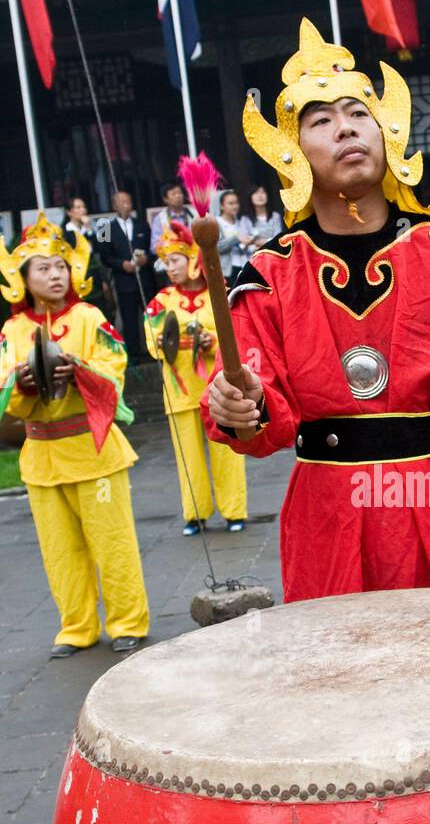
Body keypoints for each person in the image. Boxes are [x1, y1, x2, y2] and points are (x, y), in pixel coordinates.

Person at [201, 18, 430, 602]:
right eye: (321, 121)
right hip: (326, 517)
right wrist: (237, 404)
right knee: (340, 683)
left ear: (387, 133)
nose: (346, 129)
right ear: (292, 153)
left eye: (358, 114)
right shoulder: (269, 276)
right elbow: (263, 414)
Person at [0, 213, 149, 657]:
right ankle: (76, 627)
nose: (55, 275)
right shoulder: (12, 330)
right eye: (43, 268)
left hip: (93, 449)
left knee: (113, 542)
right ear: (23, 278)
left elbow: (113, 367)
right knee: (61, 552)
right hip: (42, 457)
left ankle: (128, 621)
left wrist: (78, 370)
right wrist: (22, 383)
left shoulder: (89, 316)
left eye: (60, 266)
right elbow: (5, 385)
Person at [144, 220, 248, 535]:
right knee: (187, 455)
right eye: (166, 262)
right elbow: (152, 341)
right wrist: (161, 343)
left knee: (227, 449)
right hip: (179, 390)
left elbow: (237, 334)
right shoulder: (160, 300)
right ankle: (195, 514)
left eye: (175, 260)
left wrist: (211, 343)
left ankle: (235, 511)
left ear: (192, 259)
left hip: (218, 387)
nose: (169, 268)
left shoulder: (219, 293)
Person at [97, 190, 152, 362]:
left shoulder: (143, 225)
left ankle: (152, 350)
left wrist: (146, 259)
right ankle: (134, 354)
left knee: (149, 316)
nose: (125, 205)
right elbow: (103, 256)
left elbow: (152, 249)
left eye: (128, 201)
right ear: (114, 205)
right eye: (121, 202)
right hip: (123, 279)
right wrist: (121, 264)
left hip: (144, 279)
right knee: (128, 317)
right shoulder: (104, 226)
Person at [63, 196, 113, 321]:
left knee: (100, 312)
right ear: (69, 212)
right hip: (76, 279)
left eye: (84, 207)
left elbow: (100, 250)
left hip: (94, 277)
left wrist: (90, 230)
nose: (83, 210)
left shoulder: (90, 228)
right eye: (78, 207)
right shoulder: (65, 233)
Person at [150, 181, 193, 277]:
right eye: (173, 194)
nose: (178, 196)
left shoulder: (194, 214)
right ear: (165, 199)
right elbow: (154, 247)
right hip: (172, 266)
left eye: (180, 193)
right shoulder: (160, 218)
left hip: (194, 263)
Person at [216, 189, 253, 286]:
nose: (235, 206)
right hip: (227, 270)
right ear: (221, 206)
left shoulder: (241, 222)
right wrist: (236, 238)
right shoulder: (216, 223)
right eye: (230, 203)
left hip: (244, 266)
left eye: (236, 203)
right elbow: (217, 247)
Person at [243, 185, 283, 254]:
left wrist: (264, 242)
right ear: (250, 197)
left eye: (263, 192)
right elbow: (244, 243)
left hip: (273, 254)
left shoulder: (275, 216)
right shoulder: (245, 219)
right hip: (253, 257)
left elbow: (278, 239)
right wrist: (255, 249)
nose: (260, 196)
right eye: (256, 193)